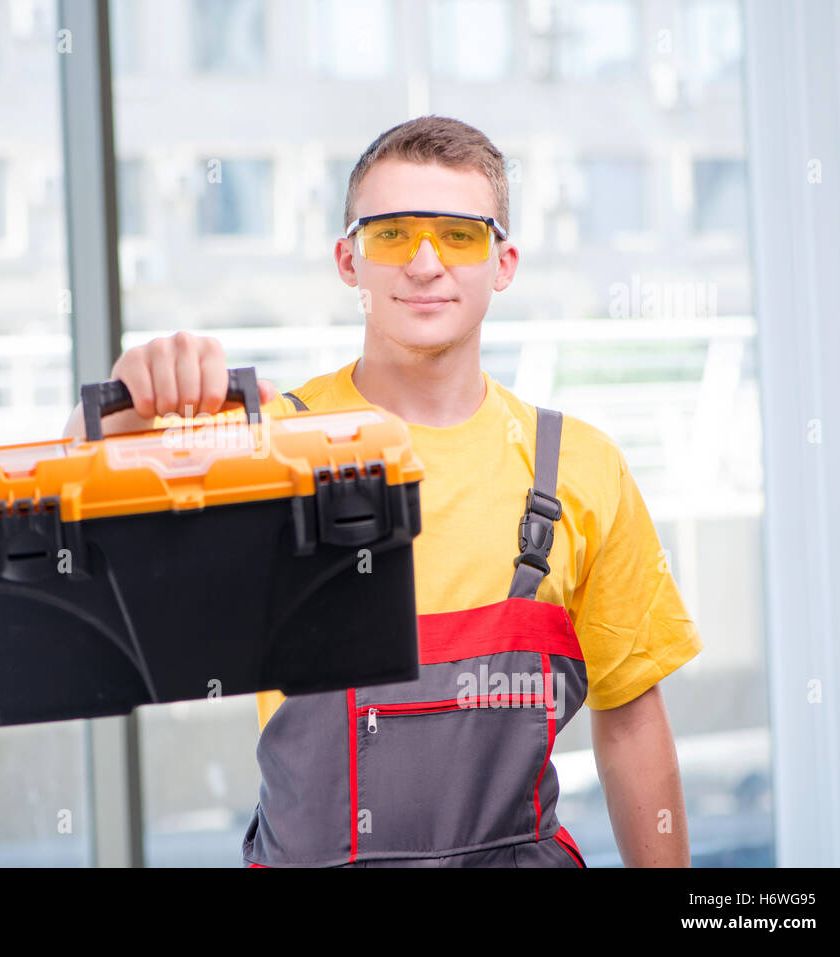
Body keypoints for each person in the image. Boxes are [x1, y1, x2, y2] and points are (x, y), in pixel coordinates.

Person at [62, 115, 702, 868]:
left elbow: (628, 718)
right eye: (391, 235)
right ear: (347, 259)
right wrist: (127, 402)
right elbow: (84, 528)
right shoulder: (273, 448)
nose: (425, 263)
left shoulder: (579, 469)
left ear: (504, 261)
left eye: (459, 236)